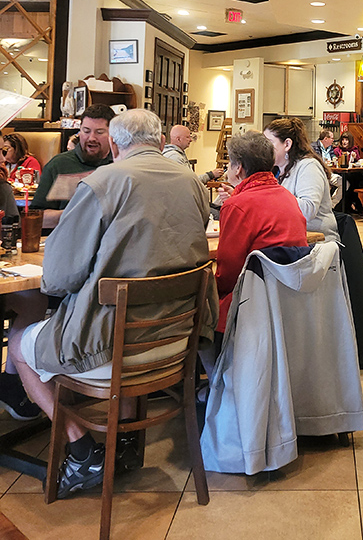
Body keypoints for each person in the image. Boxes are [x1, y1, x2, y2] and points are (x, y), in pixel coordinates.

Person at [6, 109, 217, 499]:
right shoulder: (192, 183)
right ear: (158, 141)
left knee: (20, 341)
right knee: (124, 314)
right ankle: (122, 444)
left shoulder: (104, 181)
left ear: (115, 144)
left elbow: (59, 278)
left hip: (113, 348)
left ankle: (82, 448)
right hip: (174, 344)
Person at [215, 131, 307, 334]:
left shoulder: (236, 206)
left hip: (253, 303)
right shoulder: (287, 196)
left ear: (238, 167)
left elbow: (228, 275)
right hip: (290, 297)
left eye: (229, 164)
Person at [31, 104, 115, 229]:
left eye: (99, 132)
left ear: (112, 134)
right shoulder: (59, 165)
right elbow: (37, 218)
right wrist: (77, 214)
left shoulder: (119, 165)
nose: (91, 138)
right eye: (86, 131)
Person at [264, 117, 340, 241]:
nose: (265, 149)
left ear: (287, 144)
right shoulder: (278, 169)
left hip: (316, 244)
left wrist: (271, 194)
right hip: (290, 239)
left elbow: (308, 211)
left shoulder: (309, 166)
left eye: (269, 143)